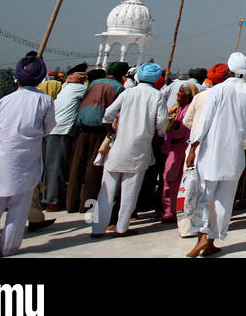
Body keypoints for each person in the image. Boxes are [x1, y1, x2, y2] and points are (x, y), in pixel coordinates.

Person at [0, 53, 55, 257]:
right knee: (18, 210)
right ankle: (9, 248)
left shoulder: (5, 101)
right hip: (26, 160)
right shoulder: (45, 101)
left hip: (0, 159)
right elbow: (48, 128)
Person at [185, 53, 246, 257]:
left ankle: (201, 236)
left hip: (211, 152)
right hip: (233, 154)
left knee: (204, 196)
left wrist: (193, 148)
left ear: (229, 70)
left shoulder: (217, 91)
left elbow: (204, 122)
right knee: (224, 201)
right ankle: (211, 240)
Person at [92, 62, 169, 237]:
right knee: (130, 191)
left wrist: (111, 131)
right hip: (139, 147)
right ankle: (121, 227)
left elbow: (108, 114)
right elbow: (162, 121)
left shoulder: (128, 93)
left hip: (119, 146)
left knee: (106, 190)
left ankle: (97, 228)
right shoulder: (156, 96)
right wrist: (158, 133)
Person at [65, 62, 127, 213]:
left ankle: (70, 203)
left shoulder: (93, 83)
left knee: (77, 166)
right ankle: (87, 205)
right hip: (100, 130)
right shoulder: (118, 88)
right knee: (94, 168)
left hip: (82, 128)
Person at [41, 66, 86, 209]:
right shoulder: (79, 89)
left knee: (48, 166)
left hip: (52, 129)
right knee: (55, 166)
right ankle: (52, 200)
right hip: (61, 131)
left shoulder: (65, 88)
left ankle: (44, 197)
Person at [160, 81, 197, 222]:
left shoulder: (187, 111)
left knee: (172, 180)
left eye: (182, 91)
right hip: (173, 149)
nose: (178, 94)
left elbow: (181, 131)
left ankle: (172, 211)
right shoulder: (176, 109)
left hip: (181, 149)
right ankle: (171, 209)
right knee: (170, 180)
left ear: (189, 96)